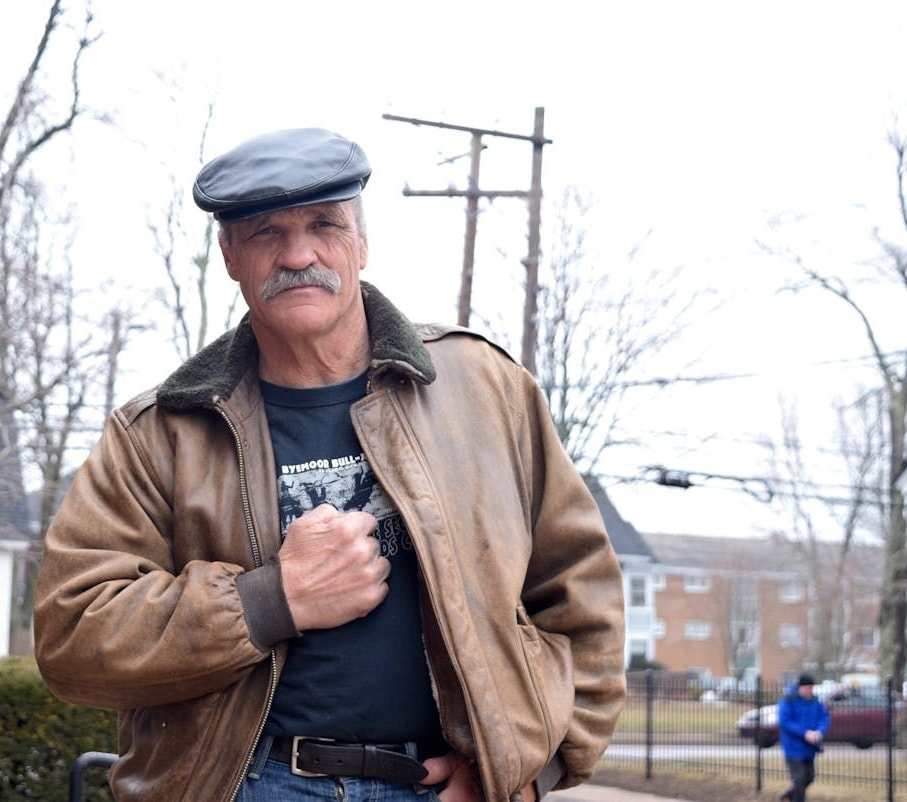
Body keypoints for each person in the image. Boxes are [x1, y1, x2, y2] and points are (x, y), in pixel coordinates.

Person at [33, 127, 626, 802]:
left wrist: (526, 774)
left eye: (324, 224)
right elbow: (74, 637)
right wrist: (272, 600)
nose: (299, 255)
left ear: (361, 242)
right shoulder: (160, 434)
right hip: (250, 786)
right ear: (229, 256)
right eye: (266, 233)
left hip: (445, 787)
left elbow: (583, 596)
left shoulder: (486, 390)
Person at [777, 673, 829, 802]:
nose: (809, 691)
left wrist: (819, 731)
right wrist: (805, 733)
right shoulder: (789, 700)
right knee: (799, 779)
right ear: (799, 687)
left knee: (809, 777)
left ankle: (787, 797)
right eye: (806, 688)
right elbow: (785, 721)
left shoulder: (815, 701)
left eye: (811, 688)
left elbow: (824, 717)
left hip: (809, 747)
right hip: (793, 747)